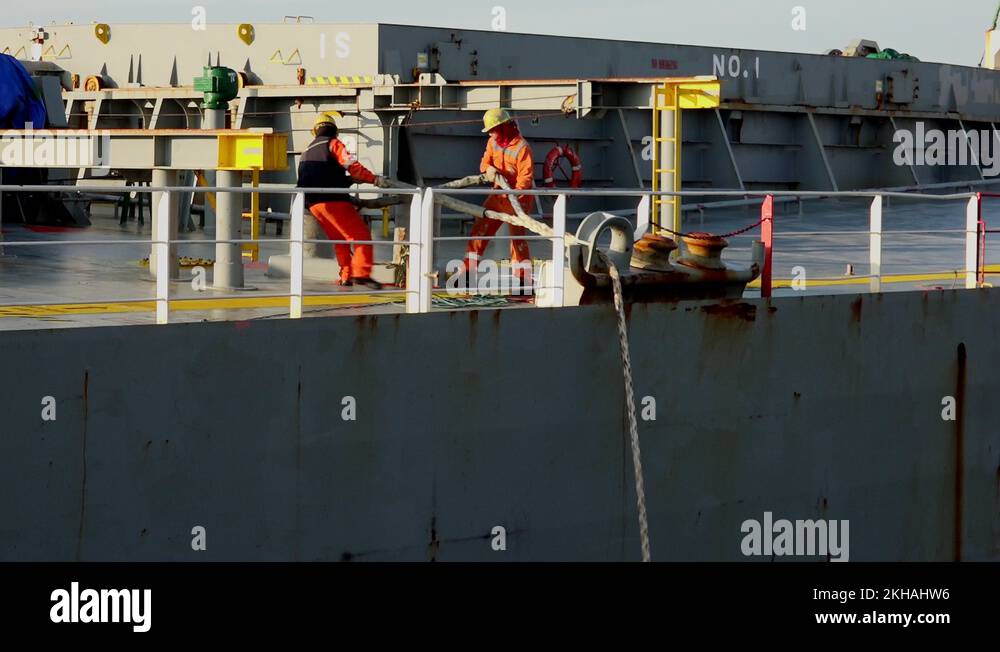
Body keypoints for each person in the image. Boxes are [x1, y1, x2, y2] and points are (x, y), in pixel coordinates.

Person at [296, 111, 390, 288]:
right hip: (333, 201)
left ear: (315, 131)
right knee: (361, 236)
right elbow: (352, 166)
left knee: (340, 239)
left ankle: (346, 276)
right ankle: (362, 274)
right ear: (334, 131)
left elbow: (315, 176)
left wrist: (344, 180)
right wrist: (374, 179)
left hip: (313, 205)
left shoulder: (306, 151)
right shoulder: (333, 144)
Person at [462, 108, 535, 288]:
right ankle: (466, 277)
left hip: (518, 200)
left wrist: (514, 196)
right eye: (489, 131)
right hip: (497, 196)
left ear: (504, 127)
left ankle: (523, 286)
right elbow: (484, 163)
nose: (491, 134)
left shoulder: (522, 147)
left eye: (493, 129)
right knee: (479, 232)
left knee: (517, 242)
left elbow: (525, 178)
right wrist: (489, 169)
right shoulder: (492, 142)